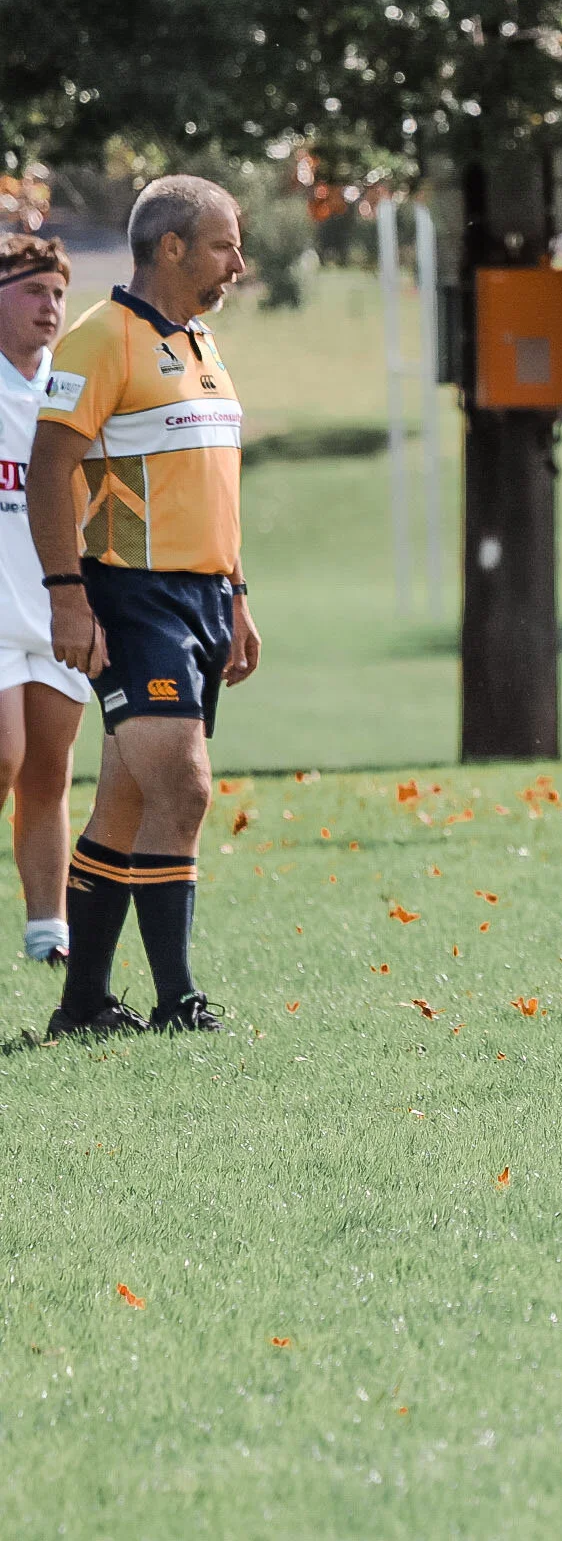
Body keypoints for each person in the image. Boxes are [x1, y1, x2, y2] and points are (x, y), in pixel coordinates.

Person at [29, 175, 257, 1036]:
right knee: (185, 791)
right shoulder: (101, 340)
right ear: (171, 247)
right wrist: (67, 597)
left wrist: (238, 596)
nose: (237, 262)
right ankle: (179, 1004)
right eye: (223, 245)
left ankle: (82, 1003)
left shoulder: (199, 342)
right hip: (133, 595)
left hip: (202, 600)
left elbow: (213, 485)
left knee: (126, 802)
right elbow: (52, 467)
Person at [0, 234, 92, 967]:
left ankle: (47, 933)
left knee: (48, 774)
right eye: (34, 290)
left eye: (58, 293)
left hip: (57, 611)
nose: (51, 307)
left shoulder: (72, 390)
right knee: (3, 757)